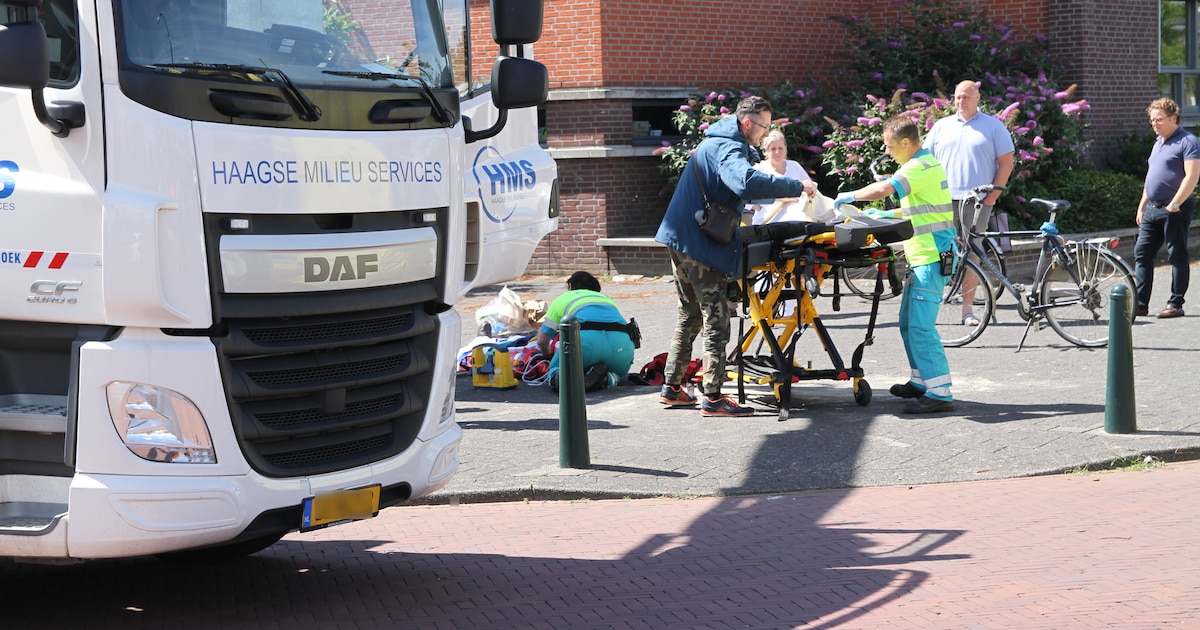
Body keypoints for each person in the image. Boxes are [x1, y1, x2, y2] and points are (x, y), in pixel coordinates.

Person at [654, 95, 809, 417]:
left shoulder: (716, 142)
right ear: (748, 123)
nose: (766, 135)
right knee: (717, 319)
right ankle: (712, 396)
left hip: (680, 237)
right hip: (700, 244)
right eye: (765, 127)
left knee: (690, 314)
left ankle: (671, 387)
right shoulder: (728, 146)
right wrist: (795, 186)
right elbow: (745, 181)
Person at [833, 115, 957, 414]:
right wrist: (887, 216)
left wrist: (850, 196)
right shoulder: (923, 165)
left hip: (931, 258)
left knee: (921, 328)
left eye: (889, 146)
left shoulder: (918, 167)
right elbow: (921, 209)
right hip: (924, 258)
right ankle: (920, 381)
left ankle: (940, 392)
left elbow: (883, 189)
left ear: (905, 142)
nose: (887, 152)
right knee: (908, 324)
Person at [923, 80, 1015, 327]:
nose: (960, 102)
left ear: (977, 98)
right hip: (942, 201)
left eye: (965, 97)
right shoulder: (941, 127)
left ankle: (967, 310)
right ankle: (934, 306)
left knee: (972, 252)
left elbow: (1007, 163)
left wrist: (992, 197)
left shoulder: (993, 127)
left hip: (976, 202)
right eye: (957, 98)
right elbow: (924, 162)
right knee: (940, 251)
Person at [1134, 97, 1200, 319]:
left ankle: (1176, 303)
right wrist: (1142, 205)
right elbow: (1151, 177)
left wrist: (1175, 204)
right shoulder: (1158, 143)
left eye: (1159, 119)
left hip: (1174, 209)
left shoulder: (1188, 141)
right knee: (1142, 253)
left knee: (1176, 255)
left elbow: (1192, 176)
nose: (1155, 124)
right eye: (1152, 120)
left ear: (1174, 118)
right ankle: (1140, 303)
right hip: (1153, 208)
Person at [537, 271, 636, 392]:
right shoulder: (606, 299)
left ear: (570, 286)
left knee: (557, 369)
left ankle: (563, 379)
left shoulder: (562, 299)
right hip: (620, 349)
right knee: (617, 372)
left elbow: (542, 341)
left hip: (584, 345)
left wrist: (548, 355)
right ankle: (609, 378)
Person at [745, 129, 819, 224]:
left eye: (780, 148)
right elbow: (746, 198)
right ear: (766, 151)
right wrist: (780, 199)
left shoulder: (794, 166)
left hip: (799, 216)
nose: (777, 152)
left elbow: (810, 188)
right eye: (773, 149)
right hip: (770, 220)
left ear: (786, 149)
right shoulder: (759, 170)